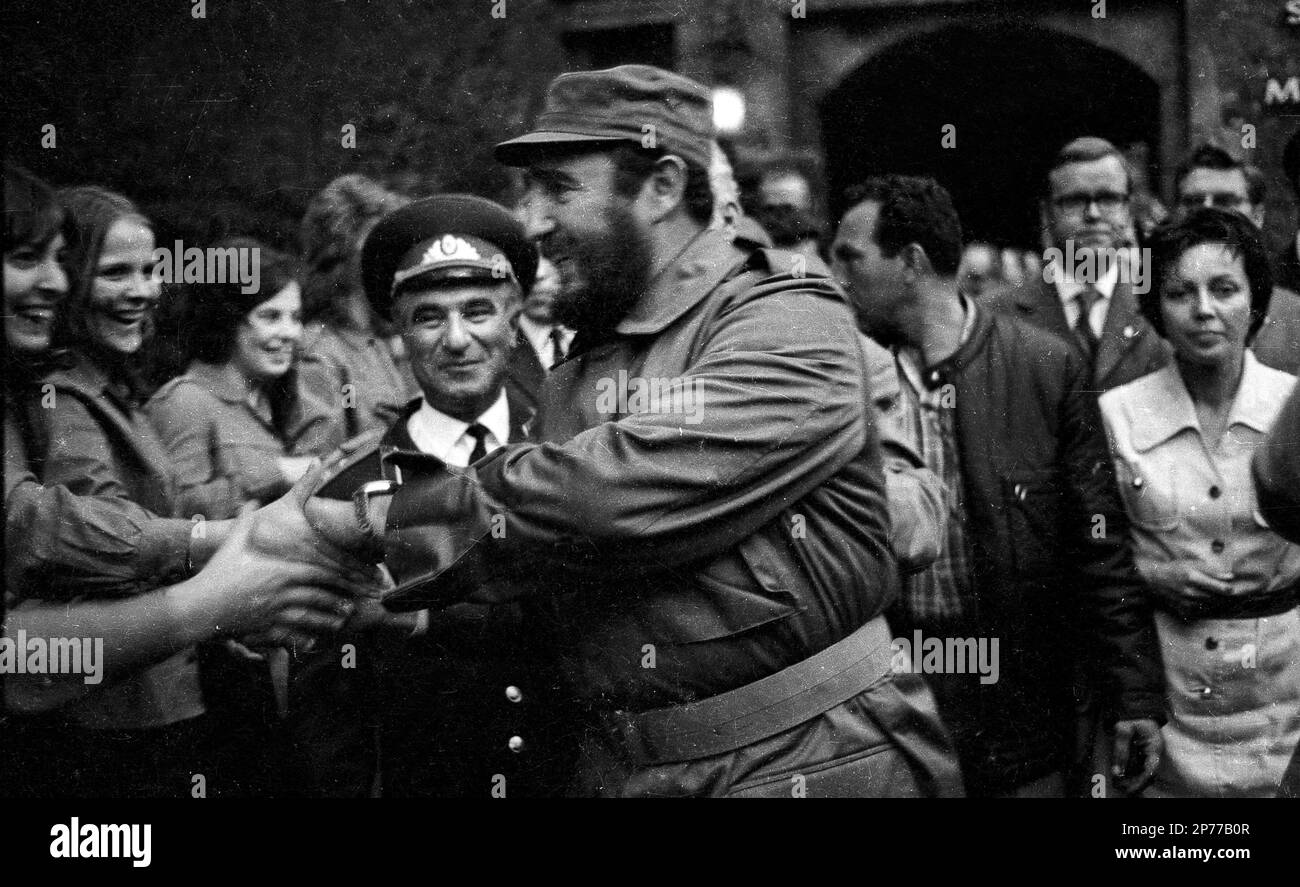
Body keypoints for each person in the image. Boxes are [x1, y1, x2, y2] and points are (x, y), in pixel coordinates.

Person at [306, 64, 963, 798]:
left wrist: (375, 521)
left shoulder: (788, 319)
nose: (531, 222)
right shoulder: (581, 368)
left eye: (557, 188)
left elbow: (606, 494)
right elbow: (583, 588)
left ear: (662, 185)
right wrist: (418, 618)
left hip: (804, 762)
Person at [2, 167, 380, 797]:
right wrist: (235, 540)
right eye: (115, 272)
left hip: (159, 683)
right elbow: (46, 530)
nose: (141, 291)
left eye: (151, 272)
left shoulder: (116, 392)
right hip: (117, 707)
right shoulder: (67, 398)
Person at [830, 174, 1164, 797]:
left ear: (910, 262)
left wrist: (1134, 695)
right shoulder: (838, 377)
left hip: (1020, 702)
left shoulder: (1042, 366)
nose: (835, 274)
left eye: (850, 256)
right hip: (892, 694)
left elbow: (1100, 544)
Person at [292, 194, 578, 798]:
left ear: (515, 316)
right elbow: (327, 720)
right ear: (398, 332)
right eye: (428, 317)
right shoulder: (350, 495)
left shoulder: (572, 459)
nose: (456, 339)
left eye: (478, 312)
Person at [1099, 208, 1300, 796]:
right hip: (1170, 698)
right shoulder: (1118, 414)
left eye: (1225, 289)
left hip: (1285, 695)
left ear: (1256, 302)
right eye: (1181, 292)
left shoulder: (1294, 408)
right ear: (1156, 308)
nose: (1204, 309)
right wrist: (1150, 572)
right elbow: (1091, 555)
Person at [148, 238, 347, 521]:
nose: (290, 333)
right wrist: (275, 473)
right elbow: (171, 511)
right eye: (271, 316)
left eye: (295, 317)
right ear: (226, 319)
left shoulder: (275, 402)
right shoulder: (185, 400)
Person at [984, 136, 1169, 393]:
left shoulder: (1160, 311)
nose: (1093, 214)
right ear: (1046, 213)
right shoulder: (997, 317)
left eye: (1108, 199)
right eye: (1075, 200)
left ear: (1127, 210)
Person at [297, 174, 416, 436]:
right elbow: (320, 468)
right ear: (340, 254)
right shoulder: (320, 354)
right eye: (376, 244)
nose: (392, 256)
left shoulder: (376, 342)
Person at [1172, 143, 1300, 374]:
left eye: (1225, 201)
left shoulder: (1293, 313)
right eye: (1193, 202)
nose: (1207, 212)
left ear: (1258, 215)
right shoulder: (1151, 309)